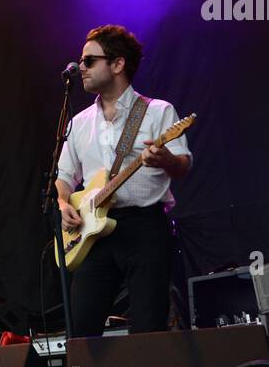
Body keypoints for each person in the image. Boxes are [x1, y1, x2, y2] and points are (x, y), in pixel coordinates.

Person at [56, 24, 192, 338]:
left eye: (90, 62)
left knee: (148, 327)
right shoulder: (79, 123)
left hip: (144, 228)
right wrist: (63, 202)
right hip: (93, 233)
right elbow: (64, 176)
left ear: (118, 64)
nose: (81, 69)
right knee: (81, 332)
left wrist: (164, 159)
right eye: (81, 62)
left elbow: (183, 165)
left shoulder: (157, 112)